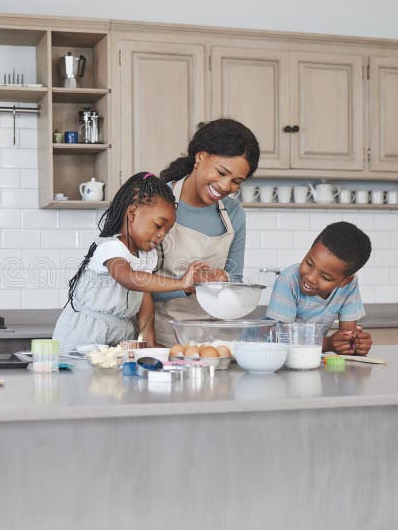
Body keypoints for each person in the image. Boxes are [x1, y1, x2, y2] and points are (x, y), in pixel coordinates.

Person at [52, 172, 215, 352]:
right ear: (132, 213)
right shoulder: (111, 248)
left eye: (167, 231)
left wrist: (149, 341)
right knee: (82, 378)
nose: (162, 234)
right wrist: (180, 283)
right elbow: (129, 278)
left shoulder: (147, 256)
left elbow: (145, 300)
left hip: (121, 334)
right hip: (85, 335)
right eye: (158, 225)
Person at [149, 118, 261, 346]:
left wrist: (224, 280)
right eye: (221, 172)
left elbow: (236, 280)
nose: (225, 186)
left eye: (236, 181)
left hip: (216, 337)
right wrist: (186, 286)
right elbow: (136, 283)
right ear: (200, 157)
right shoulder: (156, 202)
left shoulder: (234, 213)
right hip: (163, 336)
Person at [265, 221, 373, 355]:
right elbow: (280, 341)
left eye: (326, 277)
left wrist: (355, 344)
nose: (310, 278)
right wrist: (327, 344)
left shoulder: (349, 286)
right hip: (271, 357)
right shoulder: (289, 279)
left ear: (345, 281)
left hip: (307, 360)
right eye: (309, 263)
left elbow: (347, 336)